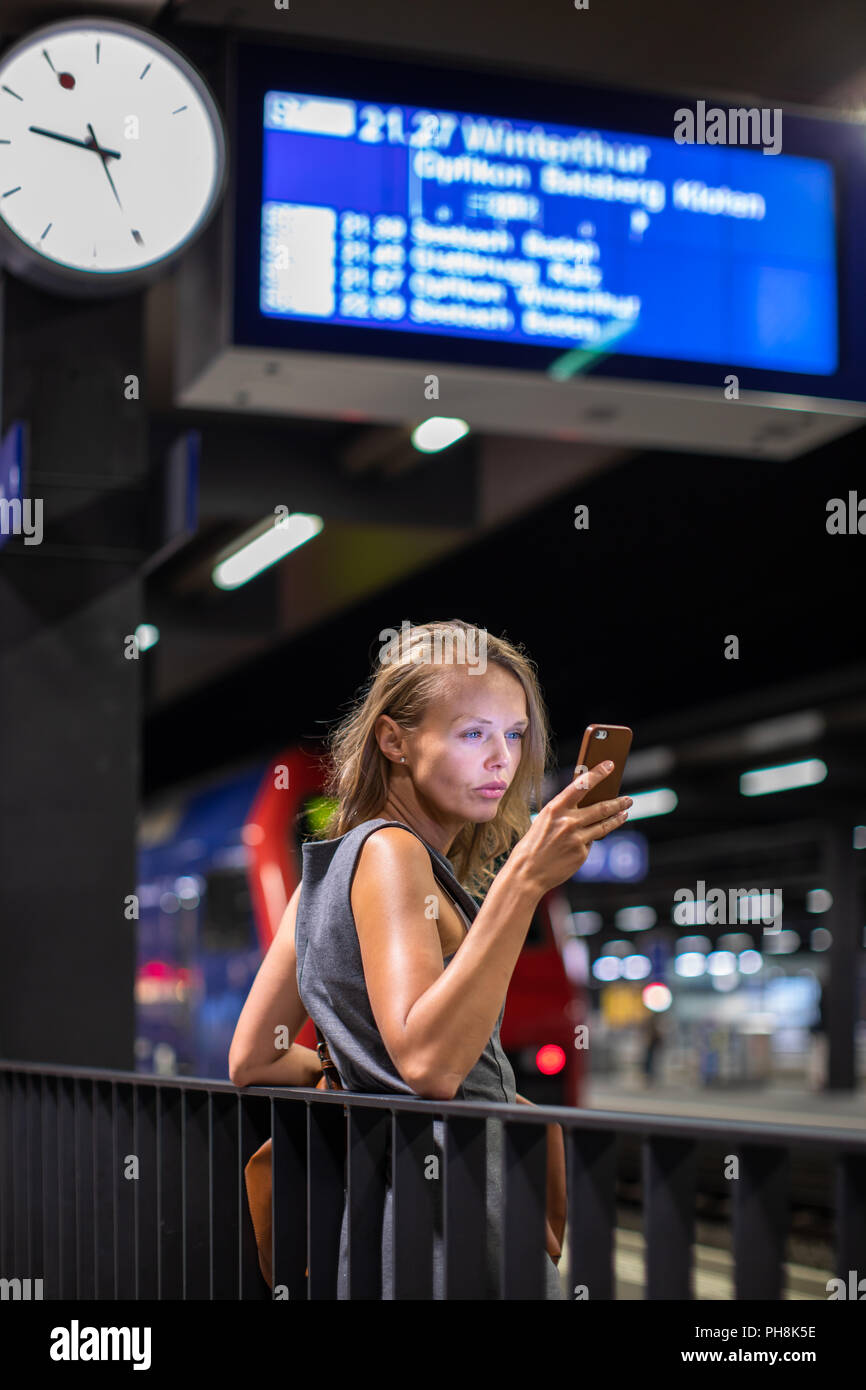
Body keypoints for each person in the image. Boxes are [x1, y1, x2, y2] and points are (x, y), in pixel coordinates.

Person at [229, 619, 632, 1299]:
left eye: (514, 734)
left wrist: (357, 1075)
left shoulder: (324, 873)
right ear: (394, 739)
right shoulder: (394, 854)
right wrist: (524, 881)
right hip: (455, 1205)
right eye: (473, 733)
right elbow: (429, 1065)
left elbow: (255, 1058)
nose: (501, 759)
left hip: (383, 1212)